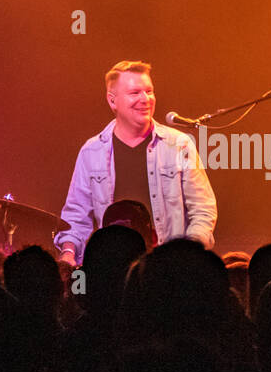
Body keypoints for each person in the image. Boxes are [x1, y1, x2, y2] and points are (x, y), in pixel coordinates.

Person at [54, 61, 217, 266]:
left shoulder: (179, 145)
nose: (145, 99)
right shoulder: (91, 151)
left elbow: (203, 209)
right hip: (112, 269)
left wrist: (188, 252)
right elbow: (75, 217)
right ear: (112, 101)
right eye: (135, 93)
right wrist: (68, 253)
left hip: (167, 268)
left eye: (149, 91)